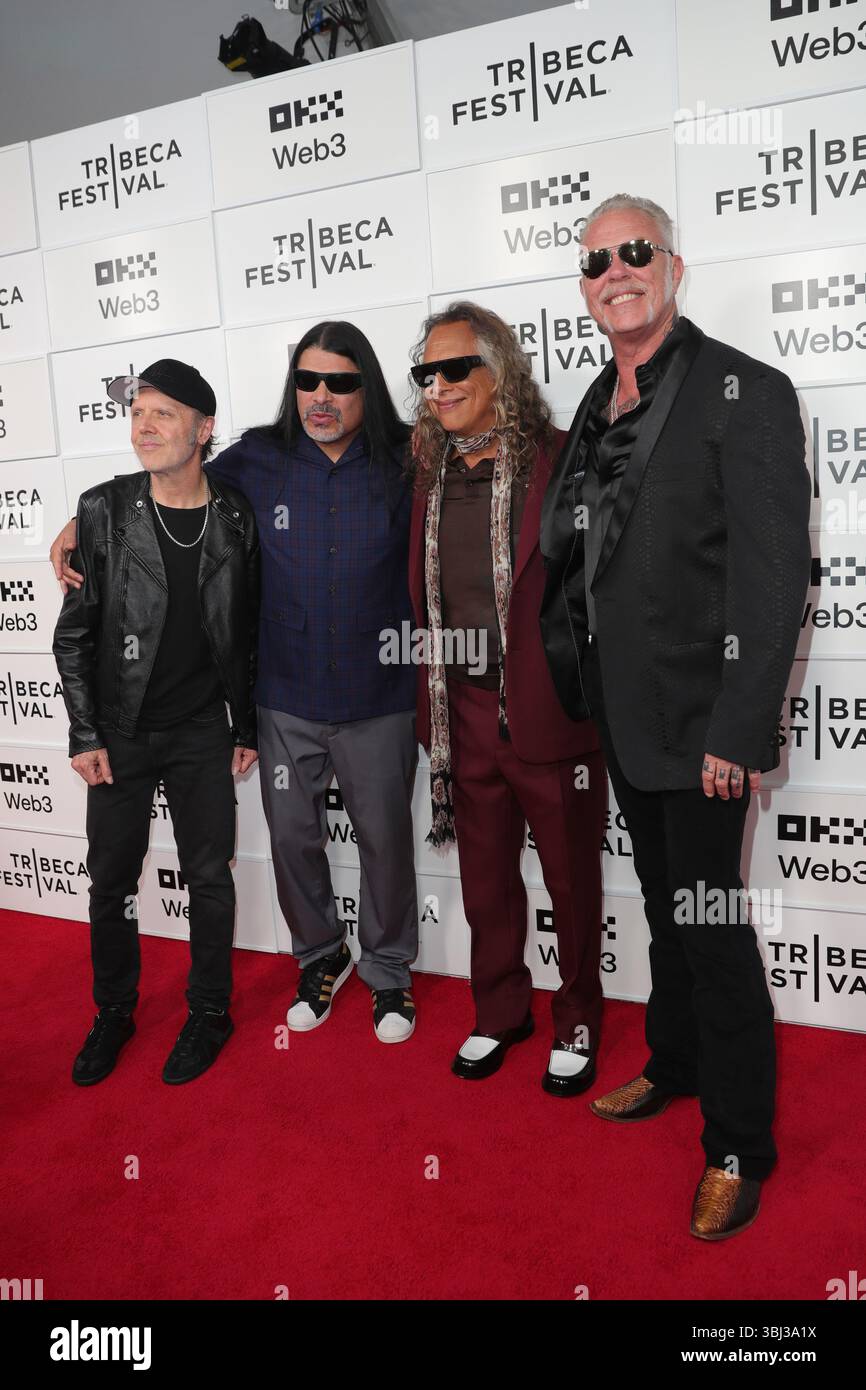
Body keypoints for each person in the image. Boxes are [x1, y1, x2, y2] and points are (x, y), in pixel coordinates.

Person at [540, 194, 812, 1239]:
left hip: (703, 728)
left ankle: (738, 1141)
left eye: (634, 251)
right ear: (583, 285)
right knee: (660, 908)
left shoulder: (743, 389)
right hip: (622, 715)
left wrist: (737, 733)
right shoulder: (593, 402)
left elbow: (772, 573)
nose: (615, 270)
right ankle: (676, 1062)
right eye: (597, 259)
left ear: (673, 265)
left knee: (708, 923)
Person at [52, 322, 420, 1043]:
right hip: (283, 696)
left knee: (384, 843)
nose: (321, 396)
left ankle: (389, 974)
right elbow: (174, 481)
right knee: (292, 842)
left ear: (365, 388)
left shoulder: (407, 461)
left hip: (380, 695)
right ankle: (320, 956)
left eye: (340, 383)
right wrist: (77, 523)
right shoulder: (257, 457)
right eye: (307, 381)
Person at [408, 301, 605, 1092]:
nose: (440, 385)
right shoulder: (422, 467)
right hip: (459, 712)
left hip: (549, 708)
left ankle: (581, 1018)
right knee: (485, 879)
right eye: (428, 373)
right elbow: (293, 444)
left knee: (572, 879)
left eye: (457, 368)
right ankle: (501, 1012)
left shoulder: (560, 462)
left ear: (502, 371)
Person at [52, 359, 260, 1086]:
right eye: (137, 411)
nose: (144, 424)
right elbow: (73, 636)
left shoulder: (235, 516)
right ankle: (114, 1010)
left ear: (204, 430)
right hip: (121, 731)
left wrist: (247, 725)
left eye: (163, 413)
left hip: (203, 727)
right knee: (110, 881)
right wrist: (84, 733)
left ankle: (210, 1010)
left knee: (210, 877)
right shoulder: (103, 511)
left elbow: (247, 631)